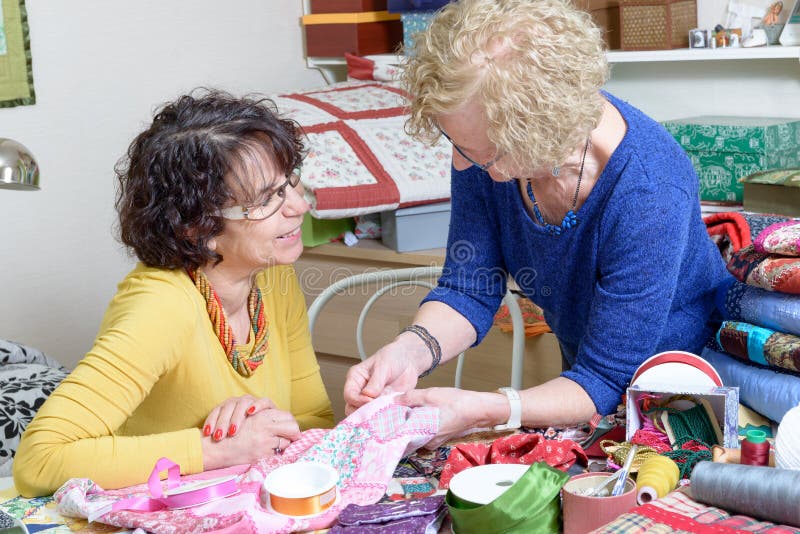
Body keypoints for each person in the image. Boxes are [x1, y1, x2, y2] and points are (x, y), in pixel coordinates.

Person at [343, 0, 732, 447]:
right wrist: (409, 352)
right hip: (590, 392)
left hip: (686, 398)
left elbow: (605, 378)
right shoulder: (479, 142)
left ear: (543, 128)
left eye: (488, 154)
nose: (467, 164)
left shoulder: (649, 189)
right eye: (458, 144)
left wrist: (488, 409)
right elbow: (469, 286)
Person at [13, 90, 334, 497]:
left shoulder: (273, 276)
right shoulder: (161, 306)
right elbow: (38, 460)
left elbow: (316, 419)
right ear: (198, 228)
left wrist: (266, 419)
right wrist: (213, 449)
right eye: (267, 199)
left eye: (290, 182)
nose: (299, 206)